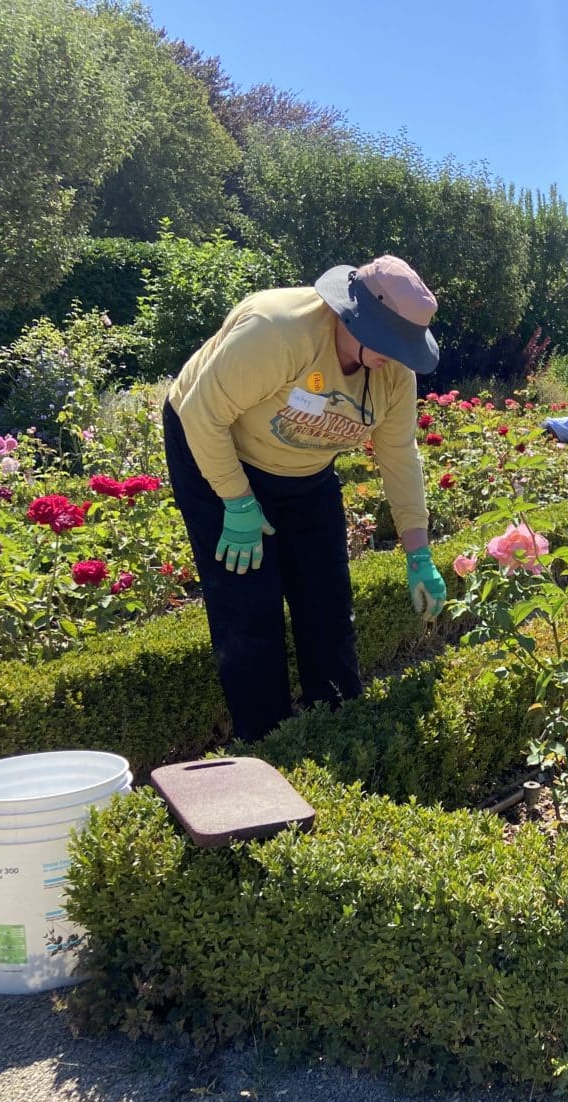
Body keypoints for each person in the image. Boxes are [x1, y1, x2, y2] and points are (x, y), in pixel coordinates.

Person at [163, 254, 449, 743]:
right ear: (352, 316)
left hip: (307, 469)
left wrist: (418, 552)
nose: (395, 356)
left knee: (328, 603)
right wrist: (236, 500)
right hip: (214, 446)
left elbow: (400, 456)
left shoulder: (394, 373)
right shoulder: (276, 331)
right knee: (248, 608)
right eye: (387, 342)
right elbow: (201, 414)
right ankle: (268, 742)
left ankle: (339, 725)